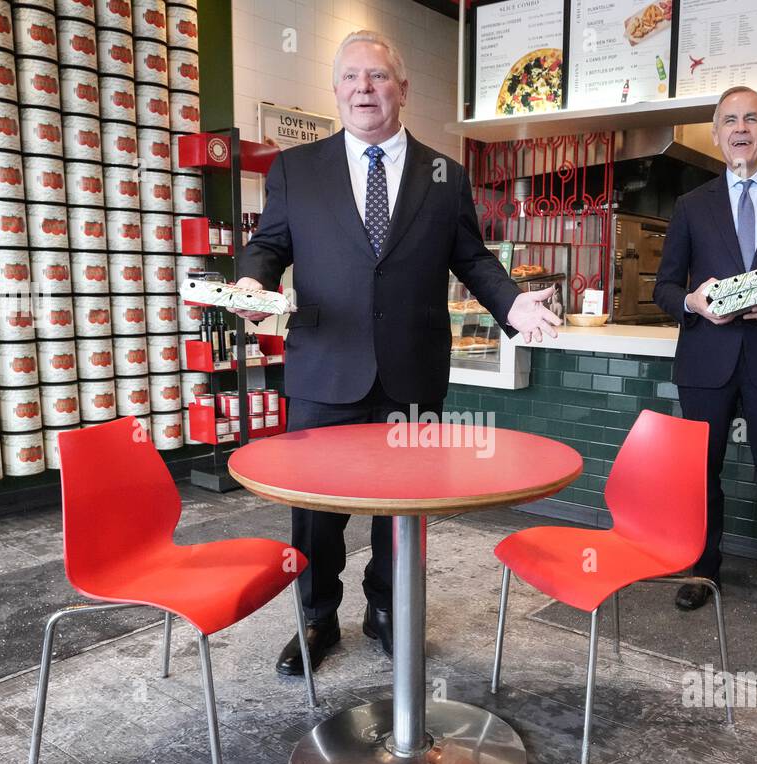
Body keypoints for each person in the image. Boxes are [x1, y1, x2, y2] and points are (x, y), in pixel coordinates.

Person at [234, 30, 561, 676]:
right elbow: (269, 245)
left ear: (402, 89)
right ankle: (316, 615)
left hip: (411, 373)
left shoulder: (445, 176)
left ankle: (386, 609)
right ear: (335, 90)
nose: (364, 88)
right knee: (315, 514)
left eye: (378, 77)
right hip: (324, 370)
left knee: (402, 514)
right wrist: (253, 279)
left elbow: (473, 258)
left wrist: (512, 304)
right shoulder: (297, 170)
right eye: (352, 77)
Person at [653, 85, 757, 638]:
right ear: (716, 132)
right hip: (707, 359)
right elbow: (663, 287)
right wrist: (692, 302)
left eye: (752, 118)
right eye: (730, 120)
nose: (741, 129)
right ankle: (704, 572)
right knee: (701, 478)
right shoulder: (690, 205)